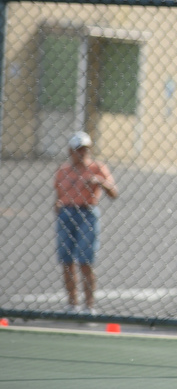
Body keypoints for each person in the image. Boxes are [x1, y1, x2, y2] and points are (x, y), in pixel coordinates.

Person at [53, 131, 118, 315]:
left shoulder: (97, 168)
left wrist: (99, 181)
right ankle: (72, 304)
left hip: (87, 212)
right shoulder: (63, 170)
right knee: (66, 260)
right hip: (66, 212)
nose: (83, 154)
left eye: (85, 150)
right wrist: (59, 206)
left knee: (85, 260)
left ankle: (89, 306)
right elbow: (58, 195)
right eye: (79, 150)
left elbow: (114, 193)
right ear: (71, 151)